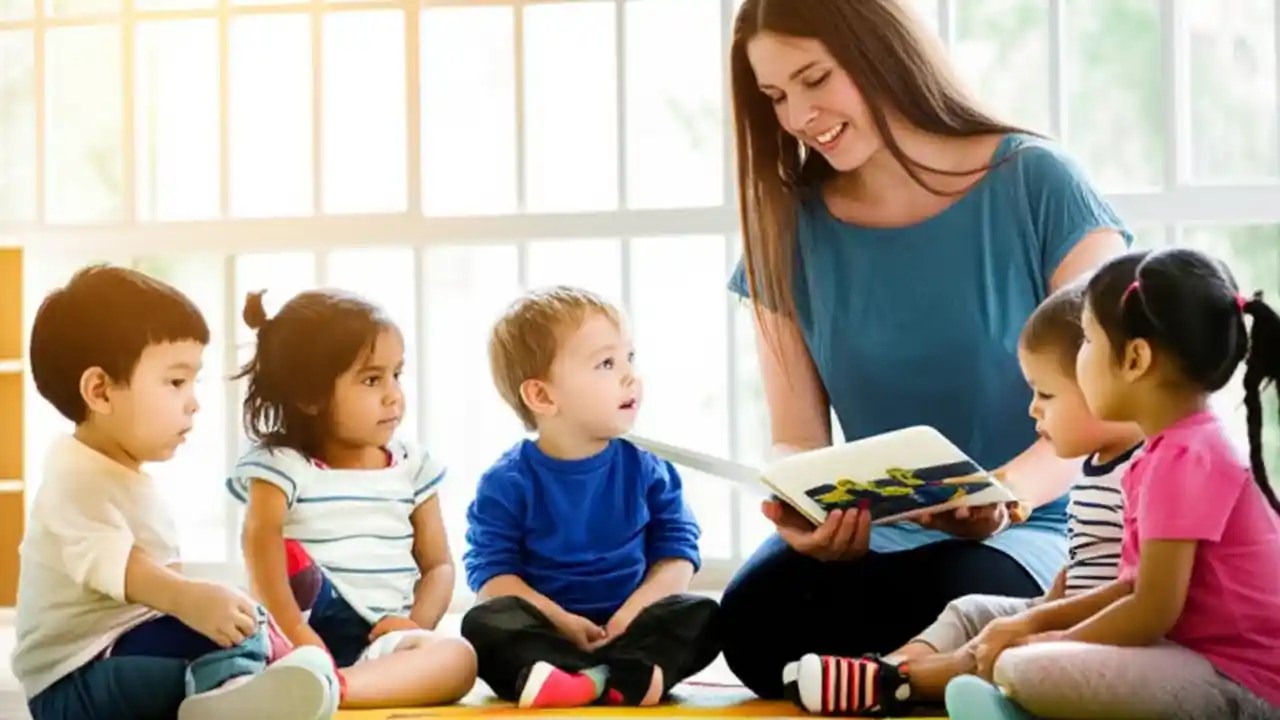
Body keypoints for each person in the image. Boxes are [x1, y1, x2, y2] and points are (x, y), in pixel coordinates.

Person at [720, 0, 1133, 698]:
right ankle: (911, 675)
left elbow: (1109, 408)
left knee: (960, 590)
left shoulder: (1040, 182)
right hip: (882, 535)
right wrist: (805, 506)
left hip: (1040, 522)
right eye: (776, 97)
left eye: (814, 79)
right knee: (751, 624)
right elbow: (795, 437)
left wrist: (1004, 499)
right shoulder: (787, 229)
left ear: (882, 51)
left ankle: (892, 673)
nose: (796, 117)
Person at [946, 248, 1280, 719]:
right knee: (1024, 656)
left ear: (1135, 358)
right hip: (1196, 660)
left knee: (1024, 666)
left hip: (1240, 683)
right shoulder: (1168, 450)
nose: (1079, 355)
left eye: (1085, 340)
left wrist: (1049, 642)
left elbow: (1151, 611)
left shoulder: (1186, 457)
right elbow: (1134, 586)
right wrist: (1033, 619)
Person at [783, 280, 1143, 716]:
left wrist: (1039, 622)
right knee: (970, 610)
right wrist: (1046, 607)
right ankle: (882, 670)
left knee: (1013, 646)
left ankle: (900, 684)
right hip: (1070, 616)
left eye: (1046, 395)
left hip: (1114, 631)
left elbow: (1140, 591)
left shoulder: (1148, 471)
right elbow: (1087, 563)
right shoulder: (1095, 469)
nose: (1032, 409)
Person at [13, 264, 338, 720]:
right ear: (101, 391)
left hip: (122, 655)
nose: (193, 401)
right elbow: (120, 566)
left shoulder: (126, 475)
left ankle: (255, 678)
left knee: (237, 620)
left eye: (193, 382)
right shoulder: (74, 477)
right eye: (176, 381)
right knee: (224, 630)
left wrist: (211, 605)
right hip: (74, 683)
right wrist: (191, 599)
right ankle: (236, 689)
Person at [459, 286, 720, 709]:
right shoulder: (506, 482)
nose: (629, 376)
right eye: (606, 363)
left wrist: (631, 614)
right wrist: (560, 621)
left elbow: (677, 554)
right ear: (542, 396)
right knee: (484, 623)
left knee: (702, 613)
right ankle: (607, 678)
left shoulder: (649, 469)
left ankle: (599, 677)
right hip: (549, 630)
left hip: (633, 624)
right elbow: (492, 577)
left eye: (629, 358)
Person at [225, 288, 478, 709]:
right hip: (300, 627)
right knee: (286, 559)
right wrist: (299, 639)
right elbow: (259, 542)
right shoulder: (281, 465)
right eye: (371, 379)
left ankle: (336, 689)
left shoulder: (412, 466)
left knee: (459, 659)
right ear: (310, 397)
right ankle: (298, 678)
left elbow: (439, 566)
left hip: (377, 643)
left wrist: (412, 626)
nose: (393, 394)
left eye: (397, 374)